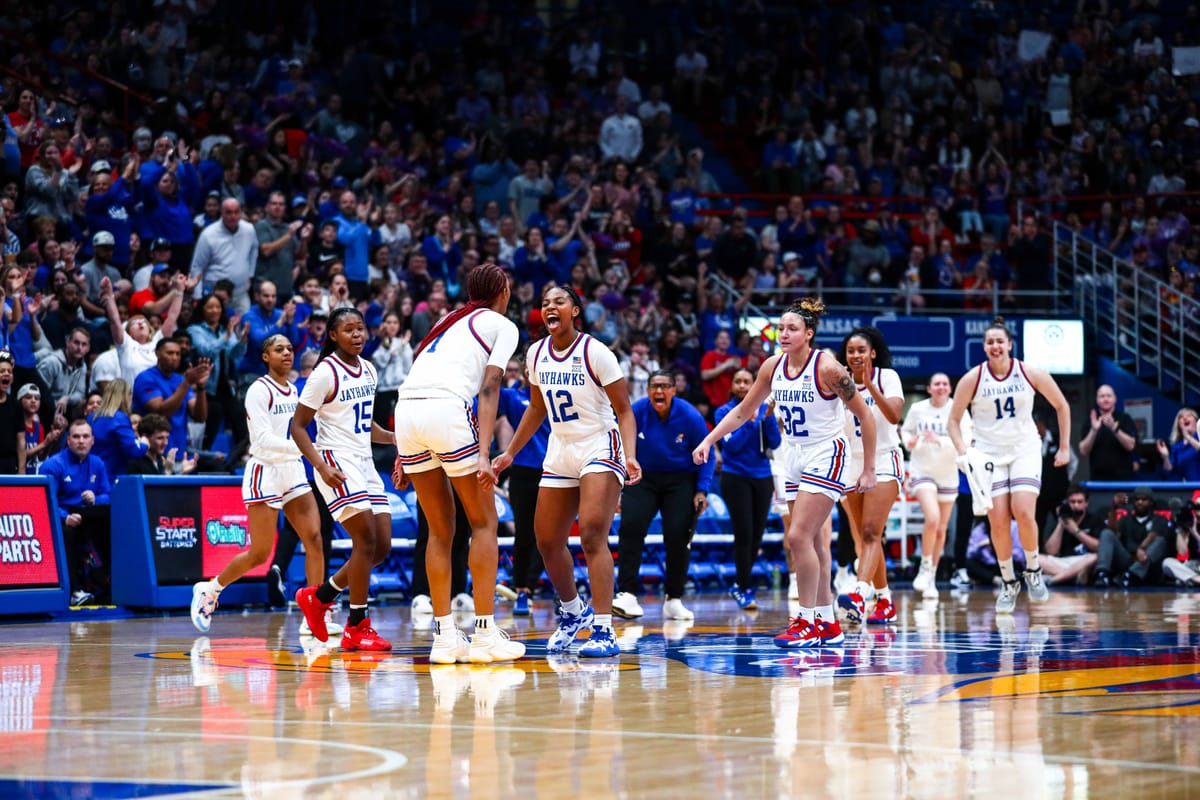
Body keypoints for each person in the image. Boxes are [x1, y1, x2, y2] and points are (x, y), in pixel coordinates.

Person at [695, 298, 875, 649]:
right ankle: (827, 622)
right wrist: (709, 440)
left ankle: (805, 621)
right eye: (781, 328)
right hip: (792, 454)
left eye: (792, 328)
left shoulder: (829, 369)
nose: (784, 334)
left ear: (809, 334)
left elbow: (864, 417)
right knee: (815, 543)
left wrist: (867, 468)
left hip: (827, 451)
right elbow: (745, 412)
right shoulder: (772, 367)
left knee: (797, 538)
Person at [492, 285, 641, 658]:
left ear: (576, 310)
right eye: (545, 303)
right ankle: (574, 612)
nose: (550, 307)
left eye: (558, 301)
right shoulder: (536, 353)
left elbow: (624, 410)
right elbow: (537, 408)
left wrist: (630, 455)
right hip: (560, 448)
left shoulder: (596, 352)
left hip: (598, 443)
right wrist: (510, 452)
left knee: (592, 534)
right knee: (546, 540)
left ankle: (604, 628)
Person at [392, 263, 525, 665]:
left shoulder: (449, 319)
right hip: (447, 410)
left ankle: (445, 637)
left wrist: (402, 451)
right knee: (483, 522)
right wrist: (485, 453)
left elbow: (420, 373)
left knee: (439, 529)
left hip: (407, 413)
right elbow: (489, 387)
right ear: (502, 292)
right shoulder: (502, 325)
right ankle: (485, 636)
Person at [190, 335, 330, 639]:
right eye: (279, 349)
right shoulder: (258, 390)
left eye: (290, 348)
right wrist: (306, 450)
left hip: (291, 471)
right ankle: (210, 590)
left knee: (315, 538)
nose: (286, 353)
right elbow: (262, 441)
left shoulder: (295, 390)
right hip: (264, 471)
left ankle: (314, 613)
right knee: (260, 552)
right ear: (265, 356)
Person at [948, 316, 1072, 613]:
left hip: (1024, 449)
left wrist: (1065, 447)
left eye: (999, 341)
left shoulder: (1029, 372)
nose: (995, 346)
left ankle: (1032, 570)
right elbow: (953, 421)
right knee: (998, 521)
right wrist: (964, 452)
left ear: (1009, 345)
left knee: (1023, 510)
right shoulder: (973, 378)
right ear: (984, 346)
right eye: (990, 342)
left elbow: (1062, 405)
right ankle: (1007, 581)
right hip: (988, 454)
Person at [291, 308, 395, 651]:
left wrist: (396, 439)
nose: (357, 335)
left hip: (364, 462)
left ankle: (319, 598)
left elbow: (367, 427)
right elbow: (298, 427)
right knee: (364, 541)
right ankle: (357, 625)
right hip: (336, 462)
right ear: (333, 335)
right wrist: (320, 467)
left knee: (381, 547)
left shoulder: (368, 369)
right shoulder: (325, 373)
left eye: (360, 328)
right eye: (349, 329)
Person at [613, 369, 713, 621]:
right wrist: (616, 488)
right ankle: (627, 594)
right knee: (630, 529)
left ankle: (674, 599)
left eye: (664, 386)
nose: (659, 391)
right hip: (642, 477)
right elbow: (617, 447)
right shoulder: (636, 411)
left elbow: (705, 454)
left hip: (680, 480)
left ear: (673, 390)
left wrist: (702, 489)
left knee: (678, 537)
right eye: (654, 386)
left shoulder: (690, 416)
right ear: (647, 391)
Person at [835, 327, 904, 625]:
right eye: (851, 351)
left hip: (885, 457)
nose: (856, 355)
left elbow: (893, 416)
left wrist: (869, 387)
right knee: (861, 539)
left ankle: (860, 594)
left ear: (873, 353)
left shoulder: (888, 377)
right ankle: (885, 599)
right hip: (852, 462)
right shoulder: (837, 384)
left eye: (861, 350)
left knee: (871, 532)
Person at [714, 368, 781, 609]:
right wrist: (751, 422)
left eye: (747, 382)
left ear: (755, 385)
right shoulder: (724, 412)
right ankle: (743, 587)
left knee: (757, 534)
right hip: (735, 478)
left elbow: (775, 442)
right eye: (738, 382)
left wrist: (769, 417)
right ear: (732, 386)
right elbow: (733, 447)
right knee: (744, 533)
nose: (742, 386)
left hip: (763, 476)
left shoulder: (764, 408)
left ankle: (740, 583)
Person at [902, 372, 972, 599]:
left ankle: (931, 575)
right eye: (937, 384)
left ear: (950, 388)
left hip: (948, 474)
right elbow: (906, 430)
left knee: (942, 528)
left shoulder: (958, 410)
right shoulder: (918, 408)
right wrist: (908, 441)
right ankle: (923, 567)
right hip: (922, 471)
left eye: (945, 383)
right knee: (931, 518)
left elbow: (967, 441)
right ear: (929, 388)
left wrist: (939, 440)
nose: (941, 387)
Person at [493, 356, 551, 616]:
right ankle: (522, 591)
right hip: (523, 472)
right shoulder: (512, 397)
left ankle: (536, 587)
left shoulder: (555, 395)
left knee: (549, 535)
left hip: (554, 469)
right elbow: (485, 392)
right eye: (526, 368)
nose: (529, 372)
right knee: (524, 533)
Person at [40, 419, 111, 606]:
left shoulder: (97, 463)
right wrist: (65, 517)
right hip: (62, 518)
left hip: (89, 515)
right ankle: (75, 590)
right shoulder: (53, 465)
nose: (81, 441)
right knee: (67, 532)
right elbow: (45, 501)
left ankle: (107, 585)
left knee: (112, 523)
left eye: (85, 436)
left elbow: (109, 495)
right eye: (76, 436)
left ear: (92, 441)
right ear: (68, 440)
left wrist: (96, 498)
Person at [1095, 487, 1170, 587]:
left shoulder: (1160, 519)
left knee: (1160, 541)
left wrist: (1141, 548)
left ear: (1151, 502)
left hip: (1149, 565)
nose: (1140, 502)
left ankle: (1132, 575)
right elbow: (1113, 532)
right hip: (1129, 560)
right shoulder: (1126, 519)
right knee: (1106, 533)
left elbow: (1153, 534)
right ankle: (1102, 574)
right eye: (1137, 499)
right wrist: (1114, 508)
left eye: (1144, 499)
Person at [1040, 484, 1103, 585]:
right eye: (1072, 502)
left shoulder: (1094, 519)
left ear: (1086, 503)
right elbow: (1051, 551)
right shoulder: (1059, 520)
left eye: (1079, 502)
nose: (1076, 505)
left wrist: (1076, 531)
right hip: (1063, 562)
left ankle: (1054, 579)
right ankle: (1070, 577)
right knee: (1036, 559)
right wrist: (1061, 523)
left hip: (1084, 561)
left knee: (1096, 557)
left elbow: (1099, 547)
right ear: (1067, 503)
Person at [87, 379, 147, 481]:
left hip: (90, 474)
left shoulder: (92, 417)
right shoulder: (120, 419)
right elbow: (133, 451)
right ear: (125, 397)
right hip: (111, 475)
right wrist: (144, 444)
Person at [1078, 385, 1137, 481]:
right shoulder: (1090, 421)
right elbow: (1083, 451)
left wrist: (1114, 428)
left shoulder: (1125, 418)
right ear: (1097, 400)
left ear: (1115, 399)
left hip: (1123, 480)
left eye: (1109, 396)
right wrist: (1094, 430)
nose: (1105, 399)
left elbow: (1131, 446)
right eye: (1102, 396)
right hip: (1097, 480)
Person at [16, 384, 60, 475]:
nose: (33, 401)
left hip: (32, 477)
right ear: (20, 401)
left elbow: (41, 457)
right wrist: (44, 443)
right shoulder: (14, 425)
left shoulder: (39, 427)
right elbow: (17, 454)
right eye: (28, 397)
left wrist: (49, 442)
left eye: (36, 398)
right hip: (15, 475)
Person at [1157, 408, 1200, 482]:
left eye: (1189, 415)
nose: (1185, 418)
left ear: (1196, 421)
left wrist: (1188, 437)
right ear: (1178, 424)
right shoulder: (1175, 447)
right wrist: (1165, 457)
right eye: (1181, 417)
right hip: (1184, 490)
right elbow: (1169, 471)